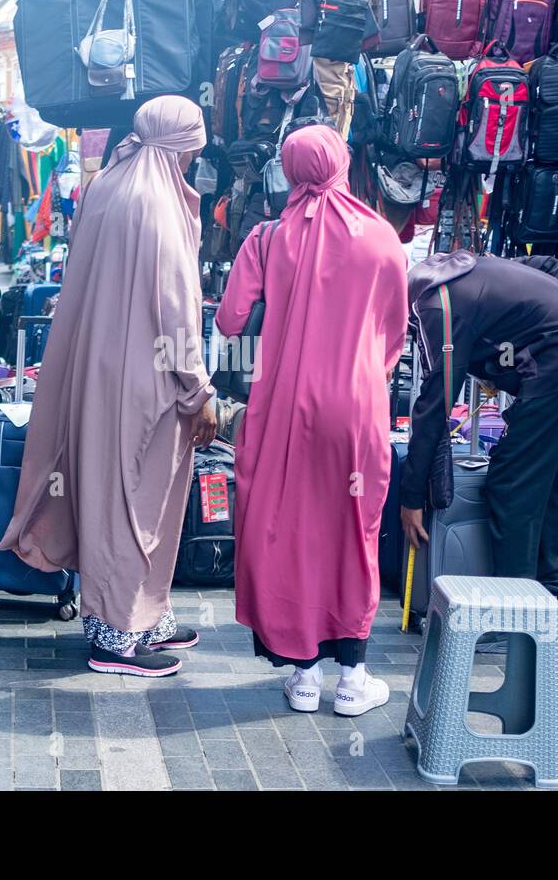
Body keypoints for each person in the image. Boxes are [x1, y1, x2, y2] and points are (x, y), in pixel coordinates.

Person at [0, 96, 217, 678]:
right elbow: (175, 310)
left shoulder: (112, 183)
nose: (199, 153)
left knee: (112, 492)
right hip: (147, 377)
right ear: (179, 144)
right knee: (135, 501)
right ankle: (116, 637)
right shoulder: (158, 203)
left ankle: (145, 613)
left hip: (98, 368)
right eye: (195, 141)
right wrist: (197, 388)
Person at [218, 124, 408, 717]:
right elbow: (395, 332)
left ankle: (303, 676)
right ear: (343, 164)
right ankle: (353, 679)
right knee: (355, 532)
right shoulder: (381, 238)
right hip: (355, 408)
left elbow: (228, 321)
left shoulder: (268, 238)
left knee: (290, 528)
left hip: (282, 406)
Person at [400, 252, 558, 633]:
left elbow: (434, 405)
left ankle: (518, 615)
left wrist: (411, 497)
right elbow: (542, 270)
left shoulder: (434, 307)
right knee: (547, 487)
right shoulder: (443, 272)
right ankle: (547, 604)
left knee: (512, 486)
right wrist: (502, 362)